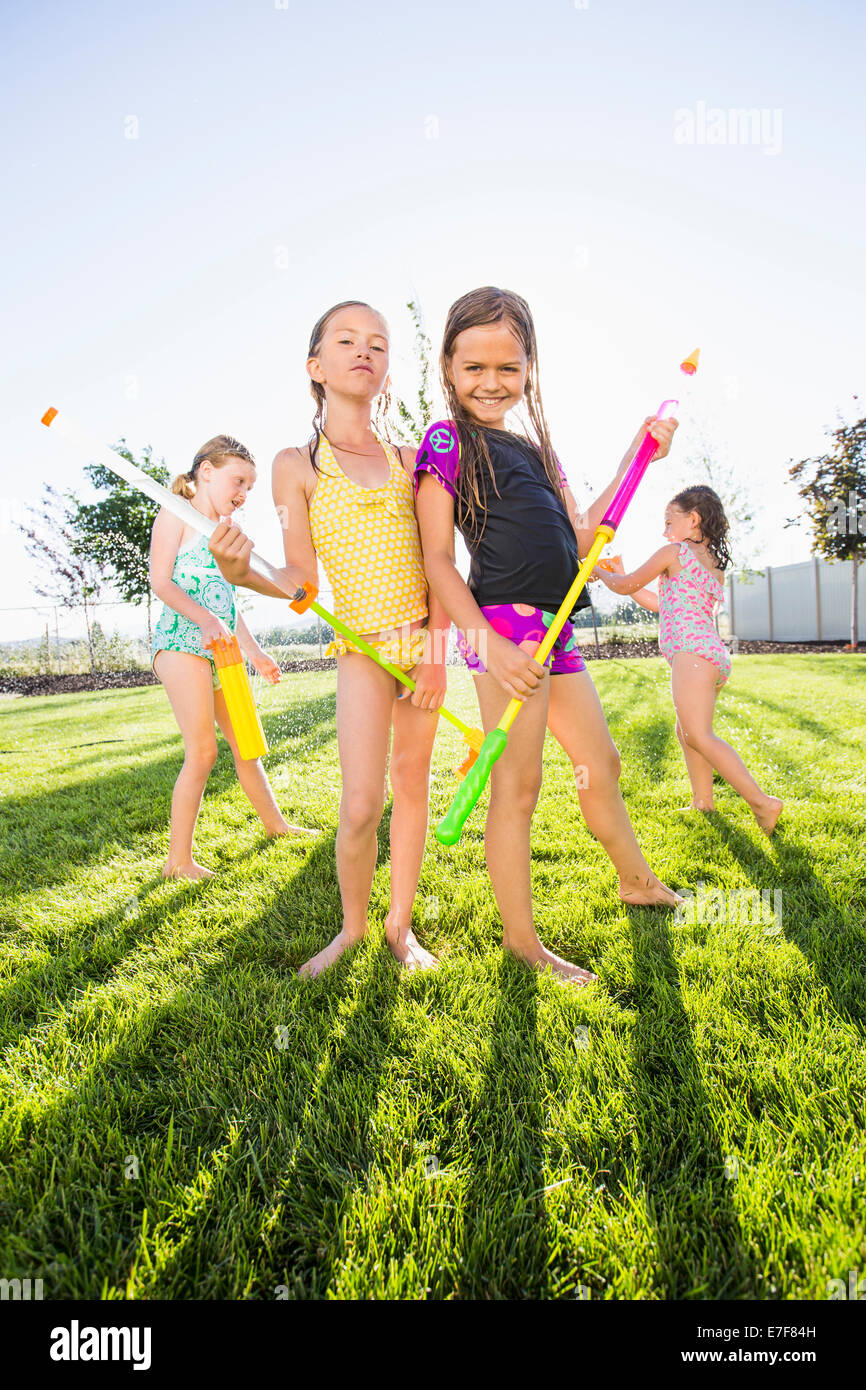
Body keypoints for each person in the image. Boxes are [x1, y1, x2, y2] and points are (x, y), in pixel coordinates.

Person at [414, 286, 682, 988]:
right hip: (502, 630)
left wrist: (638, 454)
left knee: (604, 761)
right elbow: (438, 559)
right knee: (520, 786)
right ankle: (522, 943)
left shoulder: (538, 449)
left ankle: (635, 880)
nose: (491, 383)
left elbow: (585, 530)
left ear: (529, 367)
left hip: (558, 629)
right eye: (474, 368)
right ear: (448, 366)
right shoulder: (446, 443)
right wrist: (487, 644)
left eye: (508, 368)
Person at [209, 302, 451, 976]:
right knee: (361, 802)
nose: (364, 350)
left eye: (378, 343)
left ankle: (399, 929)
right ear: (316, 367)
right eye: (346, 340)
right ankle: (351, 930)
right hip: (363, 653)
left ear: (387, 370)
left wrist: (434, 659)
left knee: (412, 783)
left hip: (424, 647)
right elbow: (300, 581)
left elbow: (440, 564)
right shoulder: (297, 464)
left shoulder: (414, 459)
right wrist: (244, 575)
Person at [150, 434, 316, 880]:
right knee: (202, 753)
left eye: (250, 487)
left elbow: (227, 600)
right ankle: (178, 862)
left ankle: (276, 825)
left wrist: (256, 652)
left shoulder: (226, 536)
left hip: (223, 647)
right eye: (238, 480)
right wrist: (204, 620)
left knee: (248, 744)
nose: (243, 494)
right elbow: (160, 583)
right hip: (182, 642)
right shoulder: (175, 514)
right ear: (206, 471)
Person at [592, 485, 783, 833]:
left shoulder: (674, 551)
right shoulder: (711, 564)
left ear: (692, 519)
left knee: (698, 733)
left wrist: (600, 571)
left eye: (669, 522)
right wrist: (618, 572)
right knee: (688, 732)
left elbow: (624, 585)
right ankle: (703, 801)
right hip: (711, 658)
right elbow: (659, 603)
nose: (664, 531)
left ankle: (762, 802)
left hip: (692, 656)